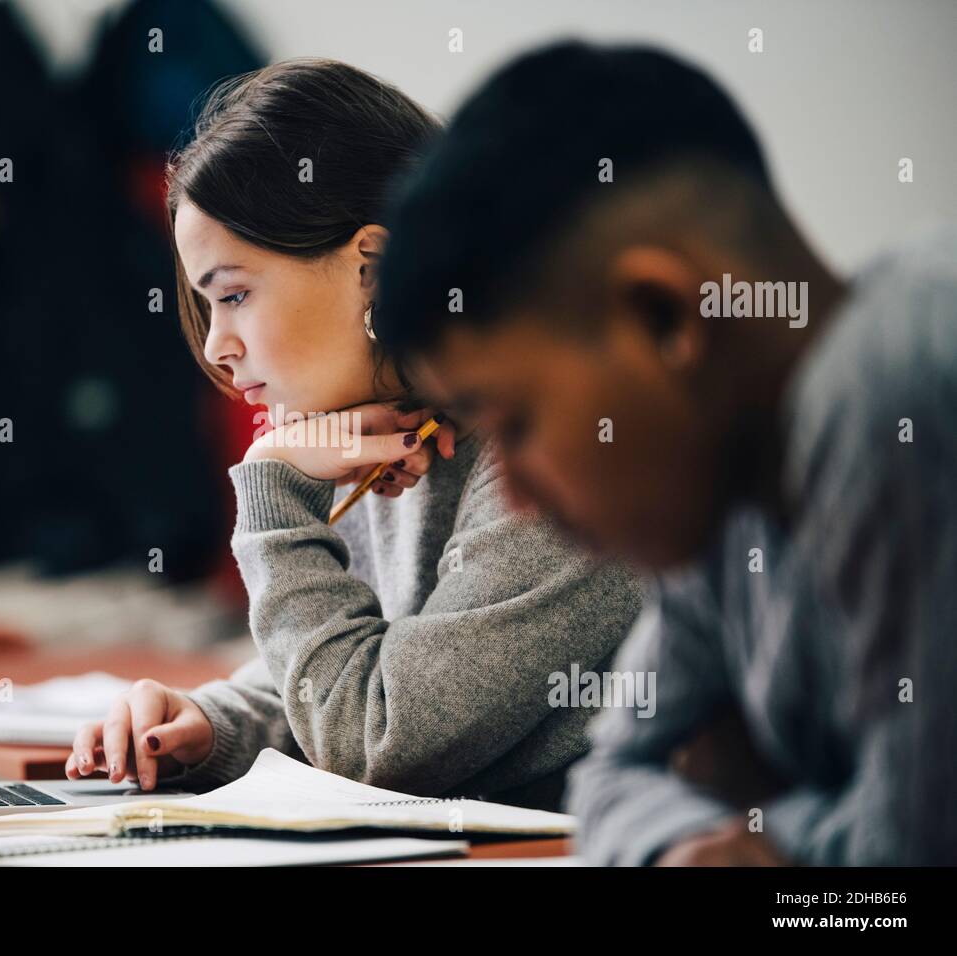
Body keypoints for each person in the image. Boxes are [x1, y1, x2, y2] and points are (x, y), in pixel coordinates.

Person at [377, 41, 957, 864]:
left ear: (664, 319)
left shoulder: (891, 377)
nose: (517, 498)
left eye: (514, 423)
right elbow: (612, 775)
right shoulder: (720, 505)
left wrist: (774, 843)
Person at [64, 58, 640, 810]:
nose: (216, 346)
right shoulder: (394, 425)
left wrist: (274, 488)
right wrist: (214, 721)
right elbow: (354, 669)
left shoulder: (560, 454)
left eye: (234, 294)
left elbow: (376, 736)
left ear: (372, 267)